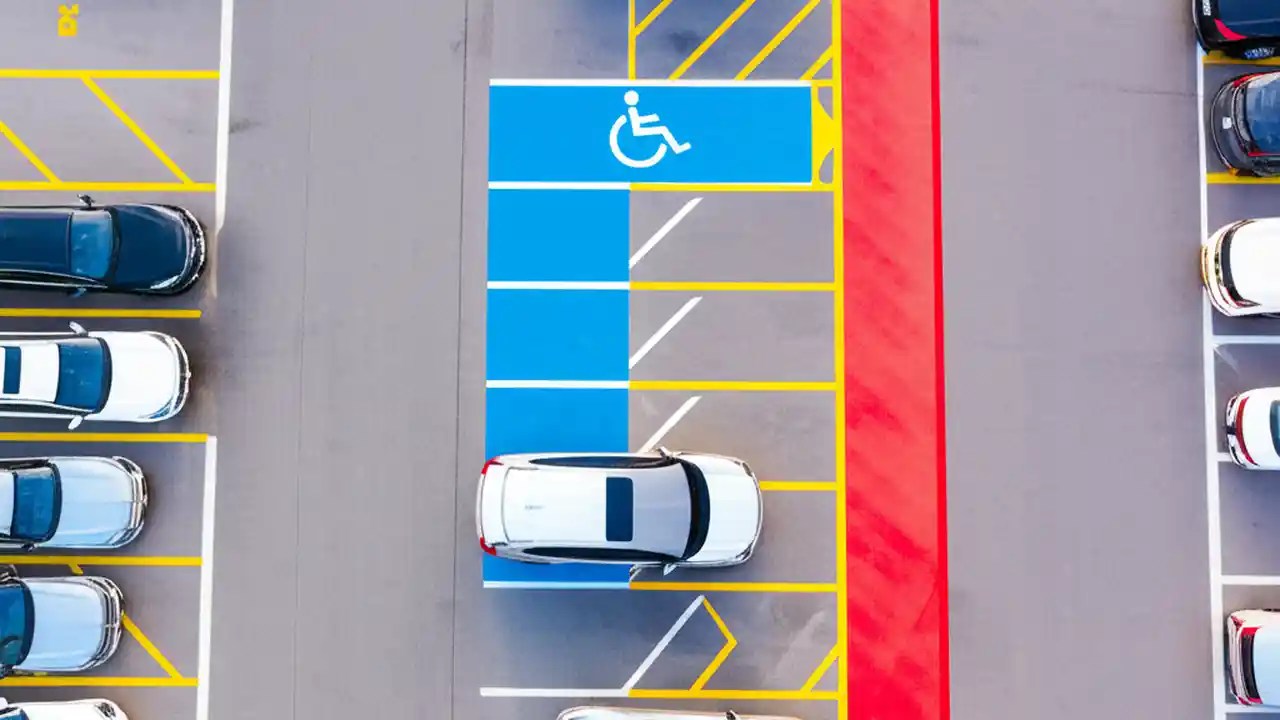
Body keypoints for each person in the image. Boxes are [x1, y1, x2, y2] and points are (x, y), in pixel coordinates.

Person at [624, 90, 690, 154]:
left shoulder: (632, 109)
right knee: (663, 129)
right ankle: (677, 148)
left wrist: (652, 118)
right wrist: (651, 118)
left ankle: (677, 148)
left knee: (663, 129)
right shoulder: (632, 110)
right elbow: (637, 121)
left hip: (638, 130)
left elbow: (637, 121)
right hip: (638, 131)